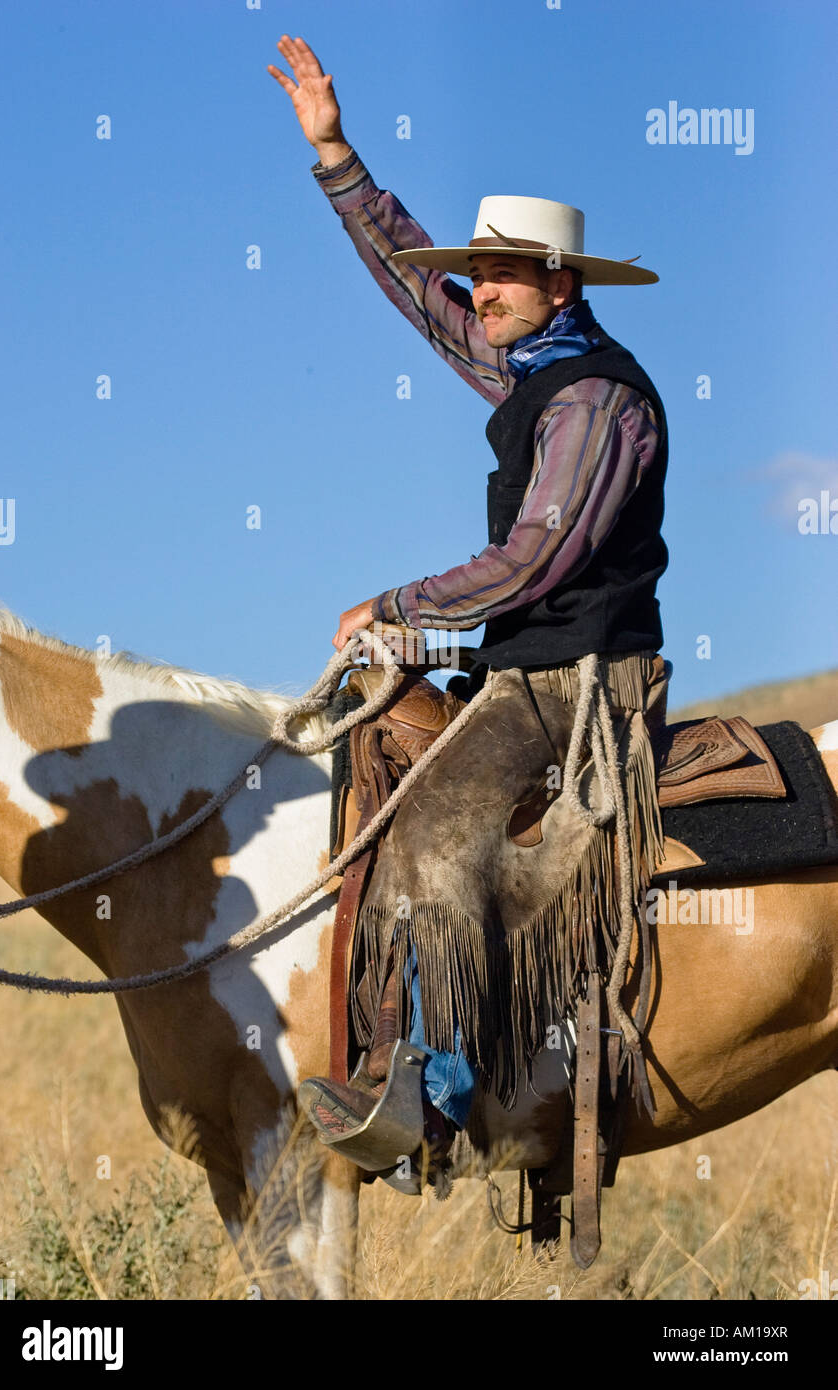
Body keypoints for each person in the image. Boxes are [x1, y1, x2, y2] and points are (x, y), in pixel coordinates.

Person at [268, 34, 672, 1167]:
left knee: (436, 822)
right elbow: (420, 294)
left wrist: (392, 603)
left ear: (559, 282)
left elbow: (535, 559)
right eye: (478, 271)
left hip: (578, 678)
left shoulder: (593, 402)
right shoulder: (531, 369)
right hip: (530, 667)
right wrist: (338, 157)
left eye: (500, 272)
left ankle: (428, 1093)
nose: (477, 289)